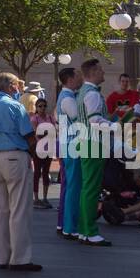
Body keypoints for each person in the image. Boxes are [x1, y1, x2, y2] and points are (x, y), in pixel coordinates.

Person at [0, 73, 41, 272]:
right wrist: (35, 154)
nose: (19, 89)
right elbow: (28, 135)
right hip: (14, 156)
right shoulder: (15, 106)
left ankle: (2, 256)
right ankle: (20, 258)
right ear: (10, 86)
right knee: (19, 209)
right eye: (17, 86)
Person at [76, 58, 111, 246]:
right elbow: (95, 120)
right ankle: (90, 231)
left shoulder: (84, 92)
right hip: (94, 143)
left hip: (86, 142)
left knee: (87, 188)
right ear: (94, 72)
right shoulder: (93, 94)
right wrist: (115, 125)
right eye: (101, 70)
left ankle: (84, 229)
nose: (104, 73)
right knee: (91, 189)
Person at [56, 67, 81, 238]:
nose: (80, 78)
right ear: (70, 79)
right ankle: (69, 226)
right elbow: (79, 118)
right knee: (73, 186)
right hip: (73, 145)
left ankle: (63, 223)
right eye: (78, 75)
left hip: (68, 144)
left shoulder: (65, 97)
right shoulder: (68, 99)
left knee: (68, 186)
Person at [29, 98, 53, 208]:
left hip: (48, 148)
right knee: (37, 172)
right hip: (38, 149)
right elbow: (36, 135)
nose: (42, 108)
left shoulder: (50, 118)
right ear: (36, 108)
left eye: (44, 106)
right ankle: (36, 198)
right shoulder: (34, 119)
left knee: (46, 172)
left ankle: (45, 197)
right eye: (40, 106)